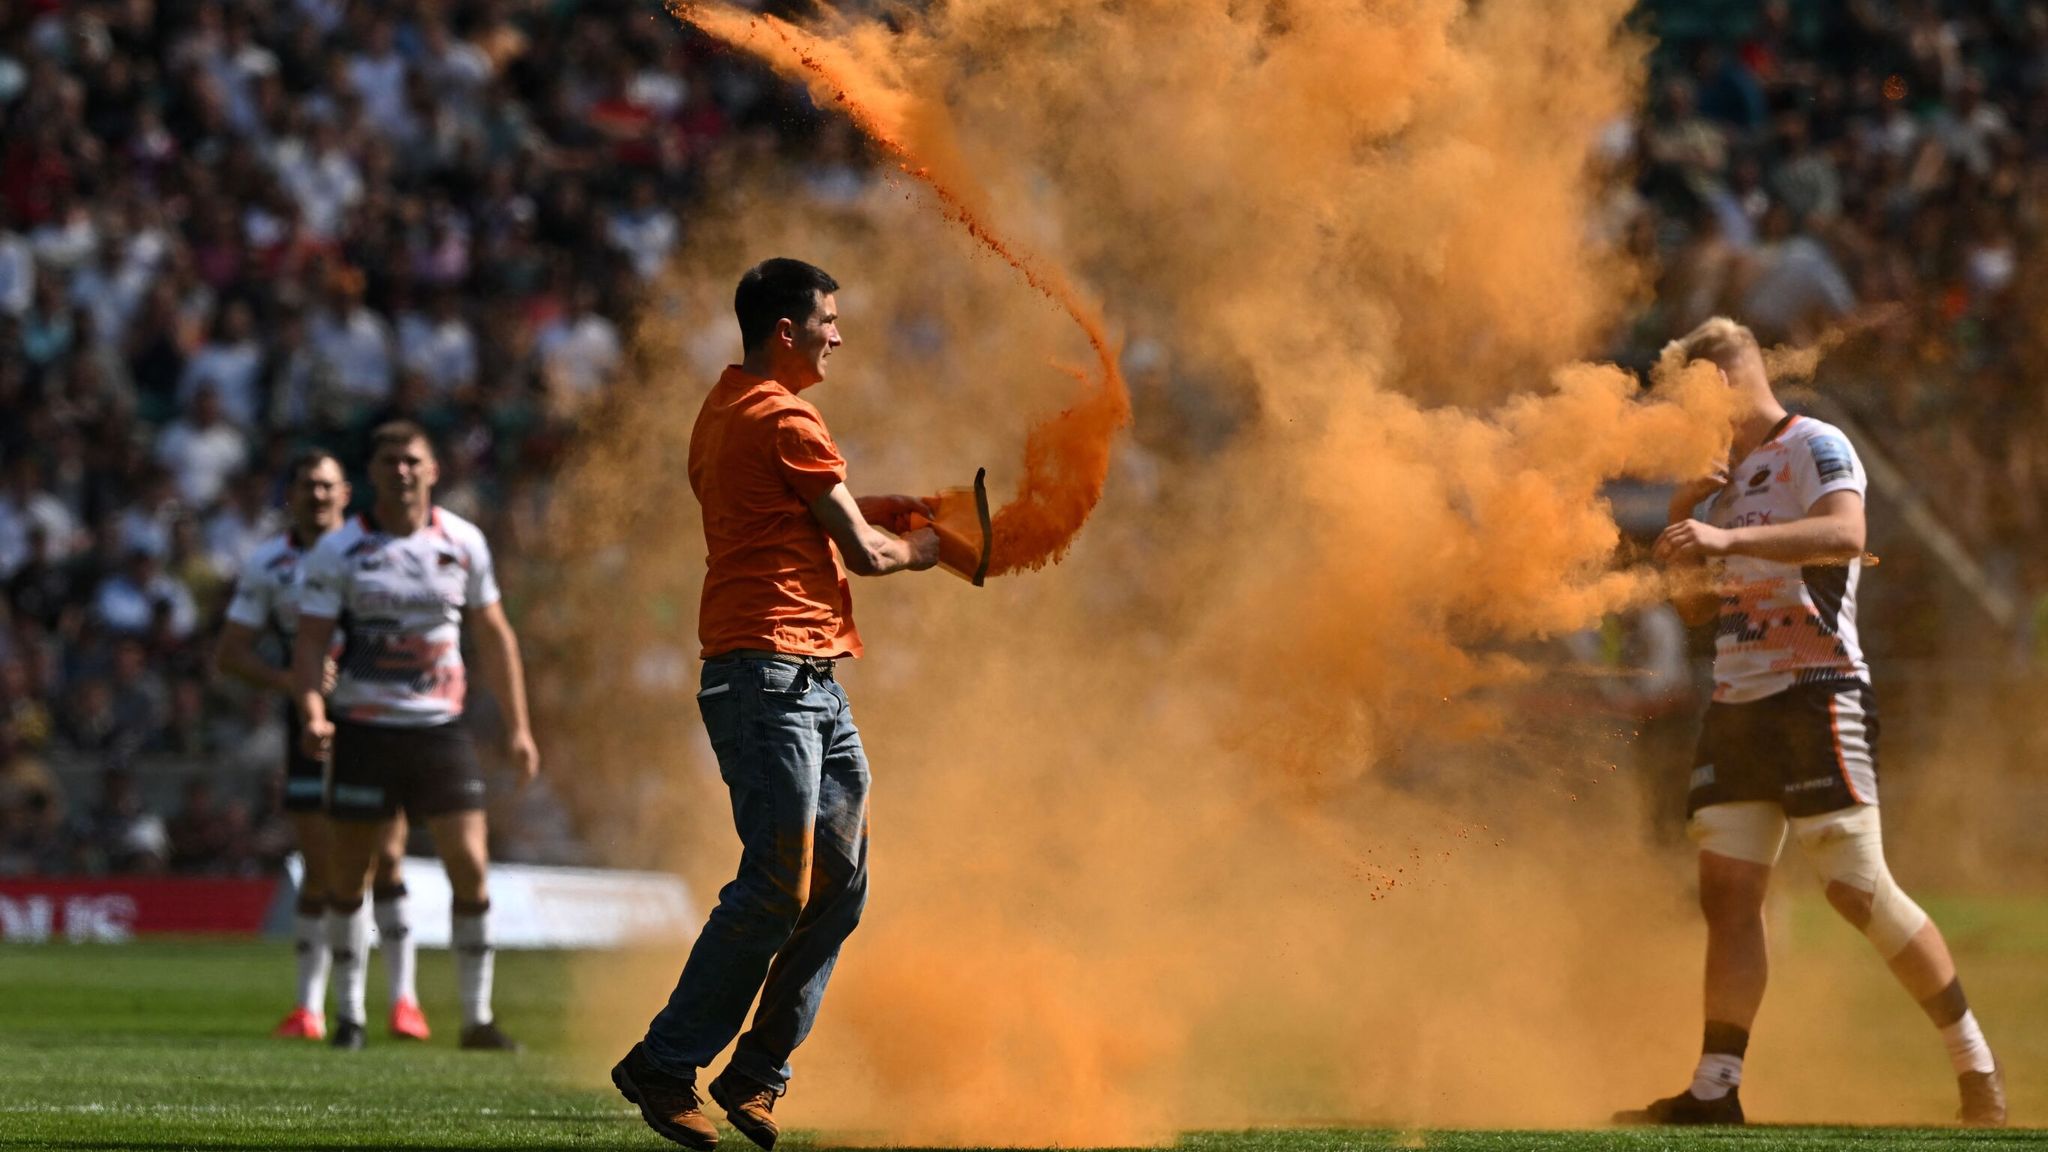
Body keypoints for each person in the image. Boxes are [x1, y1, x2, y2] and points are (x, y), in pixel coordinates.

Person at [1621, 318, 2005, 1127]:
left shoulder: (1815, 444)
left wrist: (1724, 531)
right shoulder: (1719, 479)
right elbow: (1696, 612)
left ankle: (1976, 1065)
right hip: (1737, 701)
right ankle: (1716, 1088)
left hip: (1817, 689)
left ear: (1716, 382)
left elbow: (1846, 535)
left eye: (1687, 398)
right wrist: (1685, 520)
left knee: (1855, 887)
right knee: (1728, 893)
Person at [610, 258, 940, 1150]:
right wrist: (934, 547)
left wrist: (872, 510)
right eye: (829, 320)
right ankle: (663, 1064)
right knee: (777, 886)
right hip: (769, 676)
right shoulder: (787, 416)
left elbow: (781, 520)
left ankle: (755, 1073)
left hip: (803, 678)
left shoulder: (724, 410)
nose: (840, 335)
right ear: (786, 330)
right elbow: (865, 555)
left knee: (839, 887)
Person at [292, 421, 538, 1052]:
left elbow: (494, 635)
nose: (401, 471)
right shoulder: (339, 550)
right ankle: (349, 1016)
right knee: (350, 873)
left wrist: (518, 727)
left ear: (432, 470)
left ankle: (477, 1019)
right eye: (389, 461)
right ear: (372, 473)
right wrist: (314, 712)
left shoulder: (463, 541)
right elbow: (311, 642)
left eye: (411, 460)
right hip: (364, 729)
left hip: (439, 729)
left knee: (471, 866)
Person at [215, 449, 428, 1042]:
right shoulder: (269, 563)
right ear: (291, 495)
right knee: (320, 861)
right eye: (307, 484)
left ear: (345, 494)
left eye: (328, 485)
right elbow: (230, 653)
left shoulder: (375, 551)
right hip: (307, 725)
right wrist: (292, 680)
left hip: (377, 718)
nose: (317, 495)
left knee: (387, 854)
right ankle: (310, 1008)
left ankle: (404, 1001)